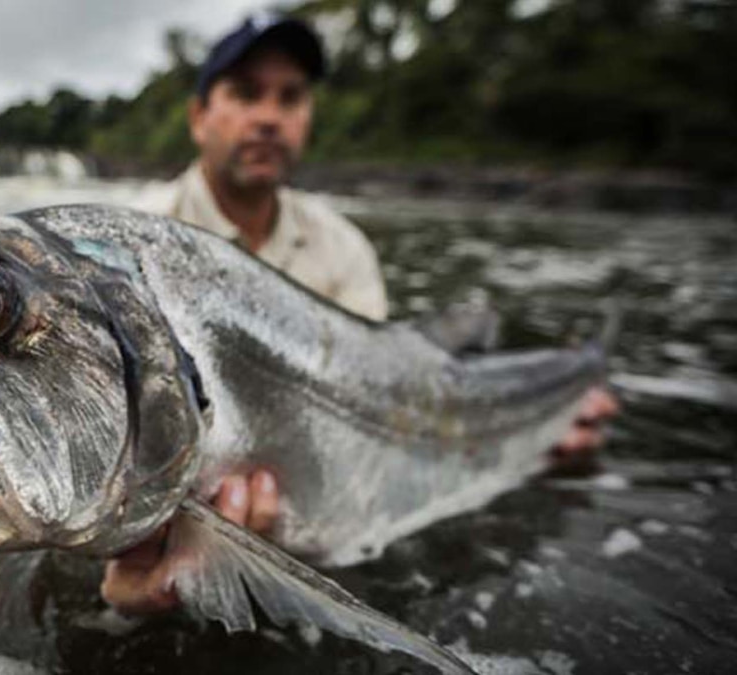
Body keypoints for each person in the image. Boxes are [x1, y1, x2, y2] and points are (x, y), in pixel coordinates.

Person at [105, 12, 619, 614]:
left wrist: (539, 445)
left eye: (290, 97)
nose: (269, 116)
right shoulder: (124, 255)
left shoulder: (344, 246)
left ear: (307, 119)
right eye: (245, 93)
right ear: (199, 118)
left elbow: (390, 397)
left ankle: (579, 376)